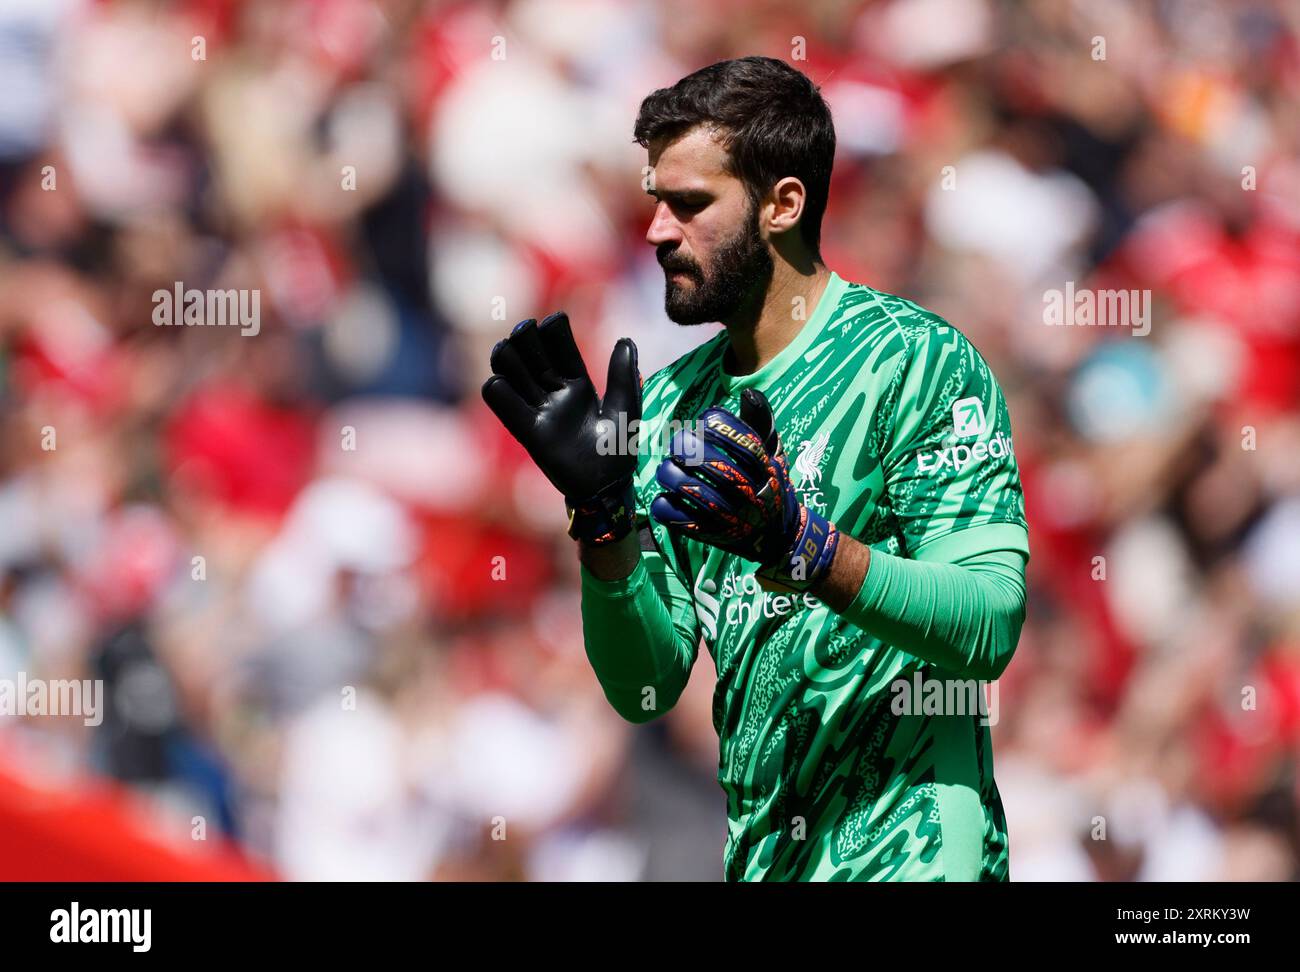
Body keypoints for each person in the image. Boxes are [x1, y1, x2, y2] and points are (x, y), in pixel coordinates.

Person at [482, 56, 1030, 881]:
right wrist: (603, 525)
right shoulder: (666, 406)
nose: (658, 231)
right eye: (655, 201)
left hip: (915, 855)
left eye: (691, 204)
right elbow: (645, 689)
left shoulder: (916, 363)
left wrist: (804, 547)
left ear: (783, 204)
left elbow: (988, 623)